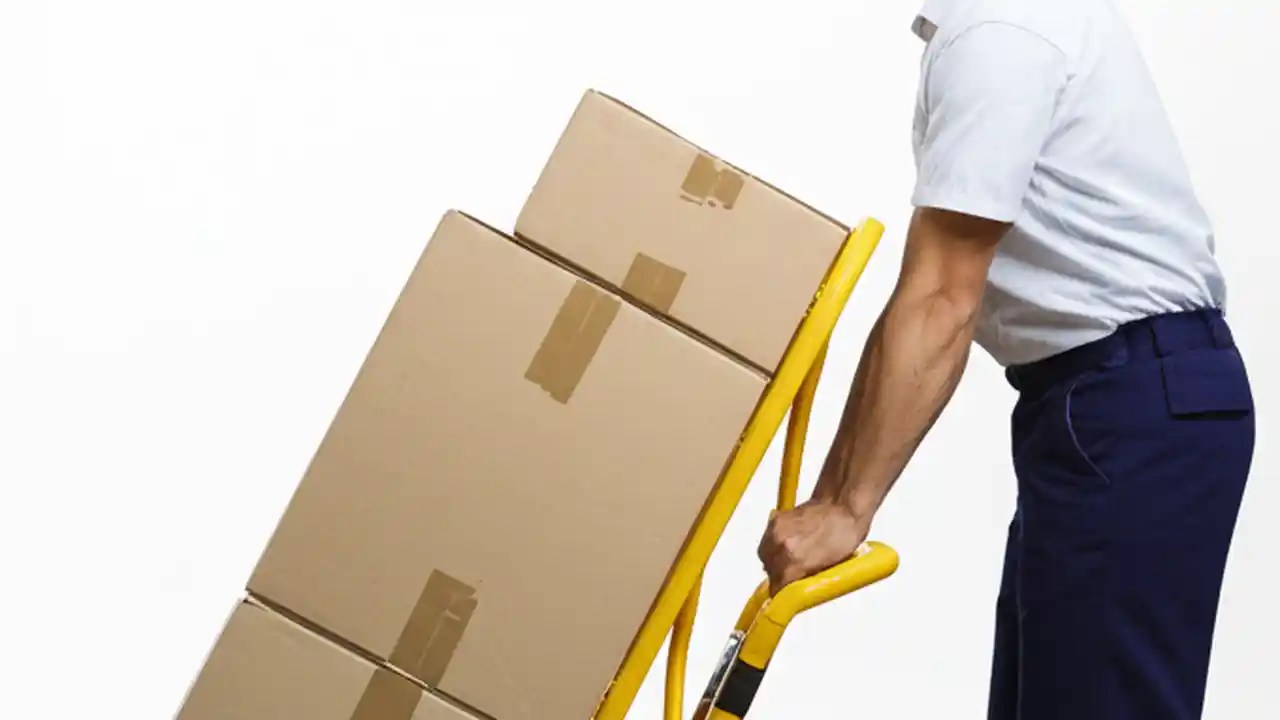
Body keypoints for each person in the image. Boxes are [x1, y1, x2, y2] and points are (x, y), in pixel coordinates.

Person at [756, 1, 1255, 718]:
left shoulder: (1003, 31)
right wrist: (832, 498)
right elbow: (931, 291)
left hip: (1135, 404)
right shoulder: (1001, 23)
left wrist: (843, 507)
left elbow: (940, 299)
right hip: (1109, 400)